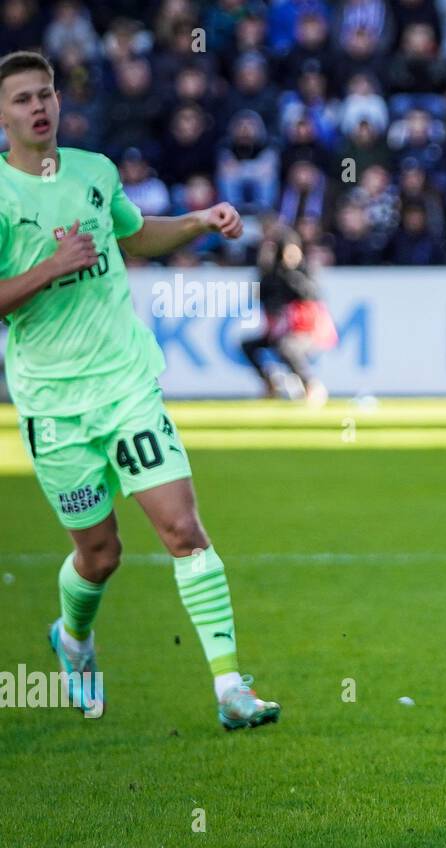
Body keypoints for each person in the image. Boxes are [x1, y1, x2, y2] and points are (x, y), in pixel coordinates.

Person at [0, 51, 279, 730]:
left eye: (46, 94)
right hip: (52, 405)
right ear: (3, 114)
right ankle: (72, 639)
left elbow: (135, 235)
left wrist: (197, 222)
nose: (38, 107)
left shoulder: (95, 172)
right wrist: (51, 266)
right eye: (21, 99)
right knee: (100, 555)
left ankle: (230, 688)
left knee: (183, 530)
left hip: (126, 385)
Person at [241, 222, 334, 404]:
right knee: (248, 346)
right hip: (284, 329)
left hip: (308, 330)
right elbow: (260, 295)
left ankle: (310, 385)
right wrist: (266, 267)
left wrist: (290, 274)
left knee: (287, 348)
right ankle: (270, 383)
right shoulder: (271, 275)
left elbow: (312, 295)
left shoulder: (306, 271)